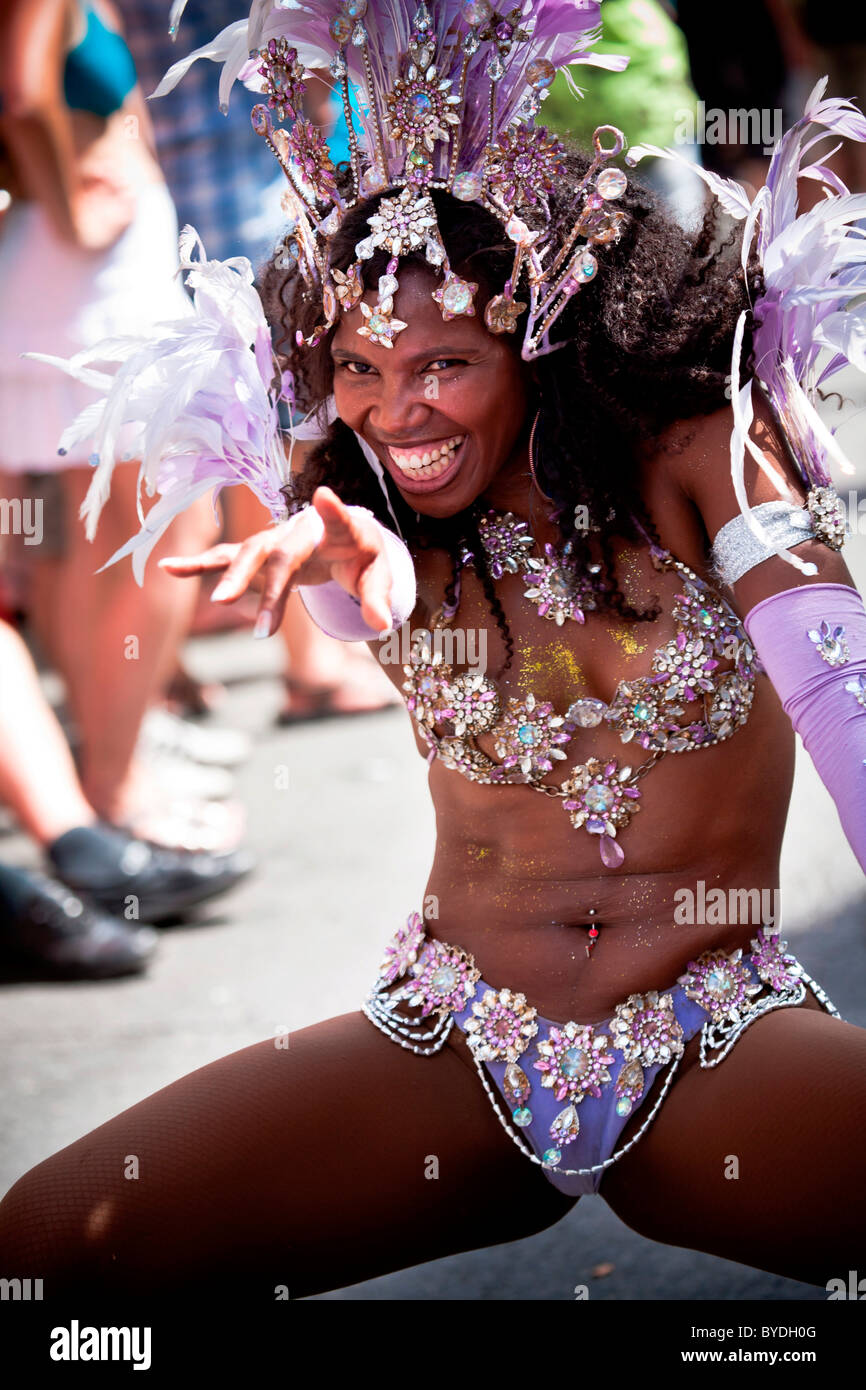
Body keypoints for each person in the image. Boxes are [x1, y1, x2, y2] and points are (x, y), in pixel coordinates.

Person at [0, 0, 864, 1296]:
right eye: (359, 364)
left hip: (708, 1045)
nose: (397, 407)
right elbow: (376, 592)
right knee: (49, 1242)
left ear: (535, 339)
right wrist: (350, 585)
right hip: (455, 1047)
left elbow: (839, 688)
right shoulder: (364, 494)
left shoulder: (701, 457)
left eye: (444, 361)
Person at [0, 0, 240, 848]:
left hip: (54, 270)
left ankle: (101, 785)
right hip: (80, 271)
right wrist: (72, 203)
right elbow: (23, 96)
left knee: (75, 542)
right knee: (172, 515)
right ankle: (115, 786)